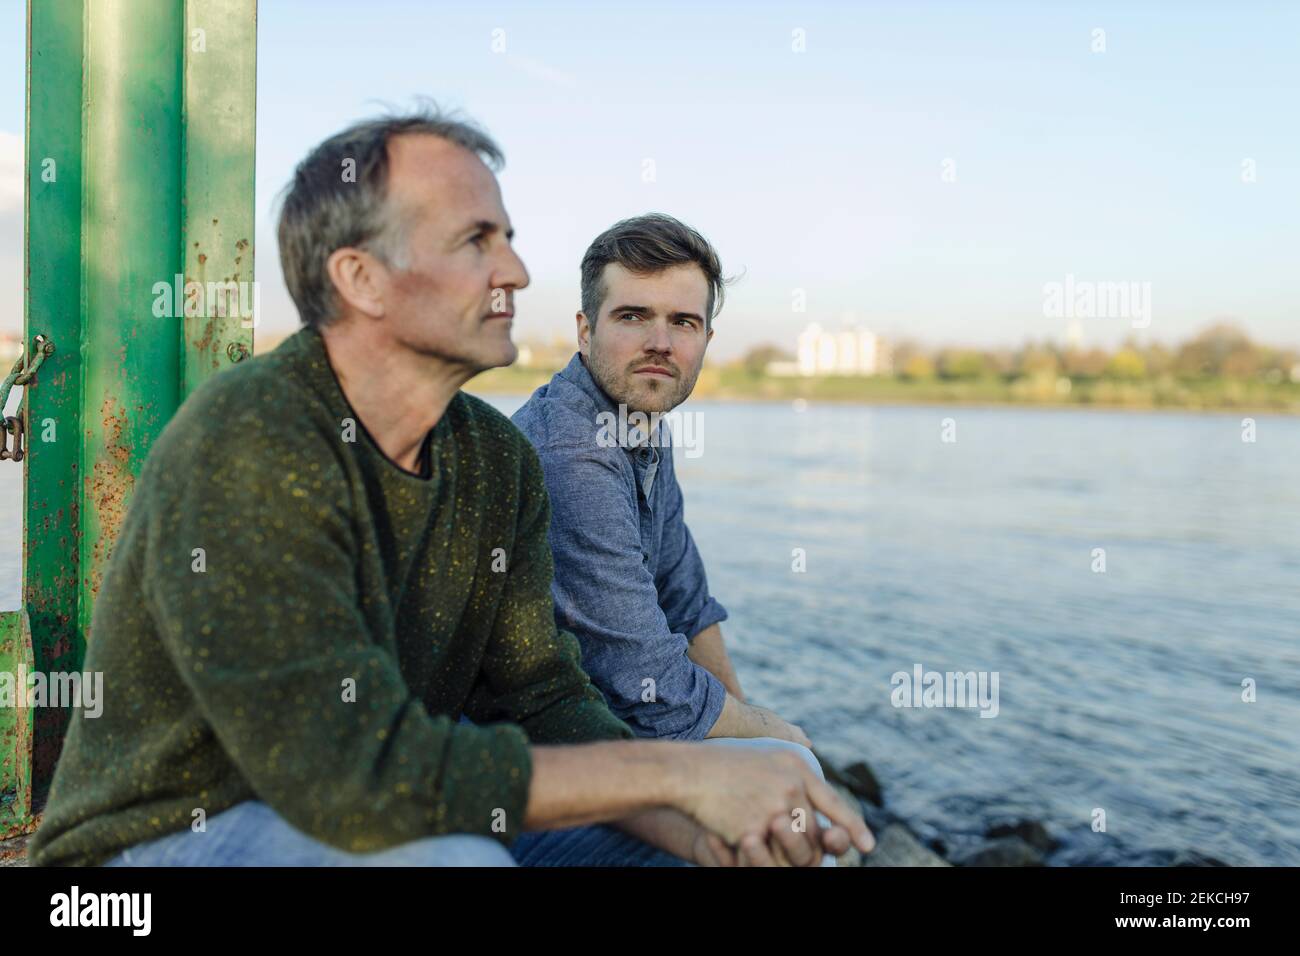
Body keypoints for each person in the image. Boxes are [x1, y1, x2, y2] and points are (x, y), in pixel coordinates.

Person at [28, 108, 872, 869]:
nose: (517, 270)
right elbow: (345, 774)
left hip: (396, 801)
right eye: (477, 241)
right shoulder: (251, 436)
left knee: (727, 844)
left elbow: (543, 694)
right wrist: (673, 774)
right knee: (449, 865)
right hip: (160, 845)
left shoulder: (495, 460)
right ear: (361, 279)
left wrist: (693, 822)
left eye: (507, 237)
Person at [508, 215, 838, 866]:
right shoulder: (574, 450)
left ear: (706, 339)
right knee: (777, 799)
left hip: (602, 742)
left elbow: (685, 600)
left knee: (785, 782)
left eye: (683, 323)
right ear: (584, 330)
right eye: (633, 315)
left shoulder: (641, 422)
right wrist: (780, 736)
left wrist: (758, 739)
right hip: (521, 775)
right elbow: (650, 688)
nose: (660, 342)